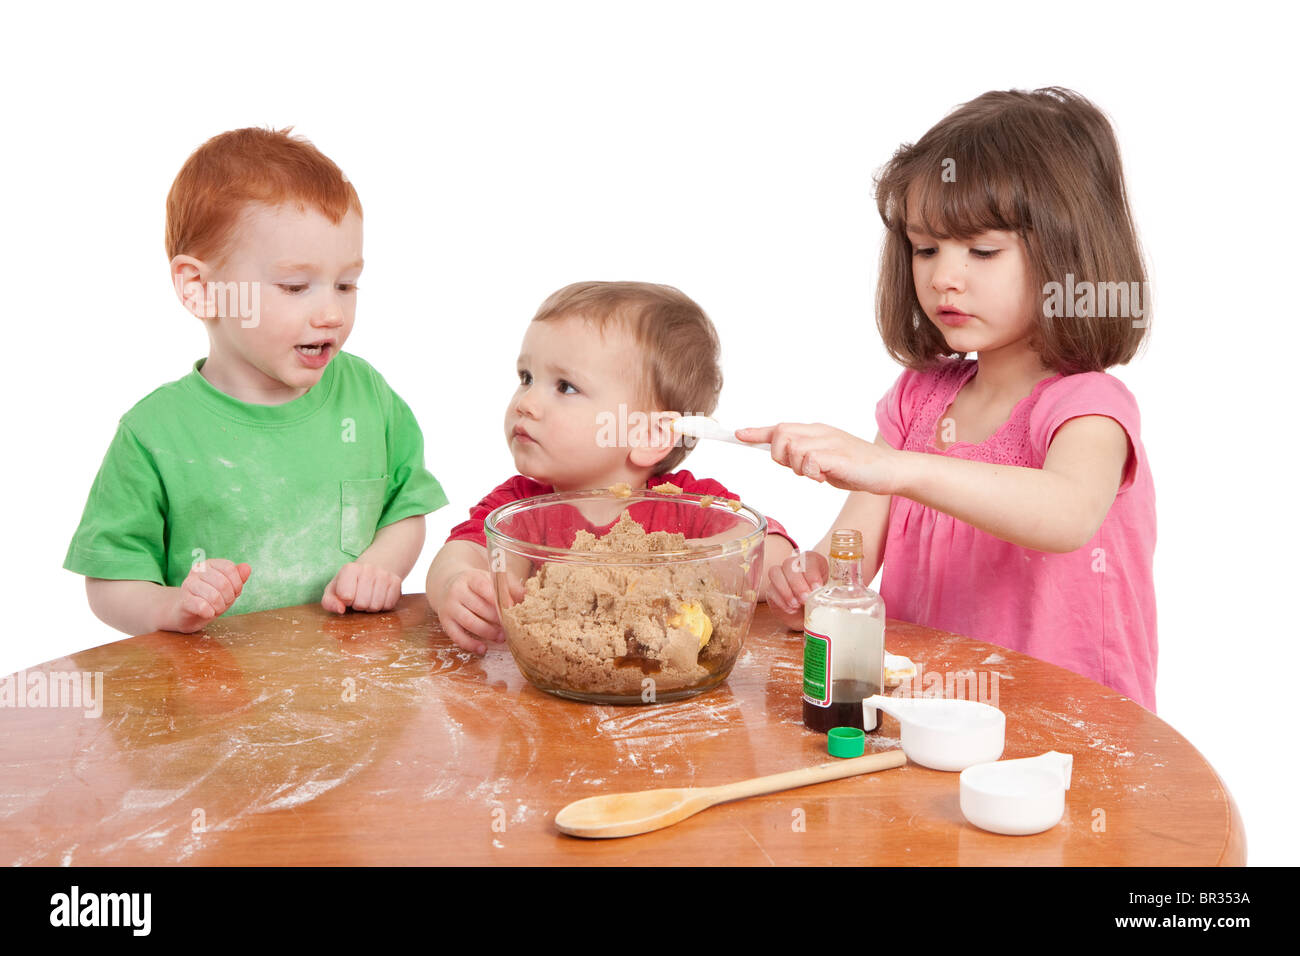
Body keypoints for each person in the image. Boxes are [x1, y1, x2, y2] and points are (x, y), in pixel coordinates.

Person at [744, 88, 1158, 711]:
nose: (943, 277)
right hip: (928, 720)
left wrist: (899, 469)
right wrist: (812, 581)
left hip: (1067, 738)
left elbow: (1068, 514)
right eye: (925, 248)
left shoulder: (1088, 408)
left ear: (1068, 256)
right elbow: (849, 551)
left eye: (982, 251)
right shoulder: (919, 401)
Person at [65, 127, 447, 634]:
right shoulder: (154, 433)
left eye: (346, 284)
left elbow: (406, 506)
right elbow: (110, 580)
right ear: (200, 288)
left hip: (353, 689)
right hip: (218, 698)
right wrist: (170, 607)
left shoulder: (368, 396)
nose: (332, 311)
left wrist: (381, 565)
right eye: (294, 286)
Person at [428, 281, 797, 654]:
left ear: (651, 434)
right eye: (526, 378)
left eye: (566, 387)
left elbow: (770, 552)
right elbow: (464, 554)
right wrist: (456, 584)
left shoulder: (689, 505)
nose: (526, 402)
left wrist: (677, 560)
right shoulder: (518, 509)